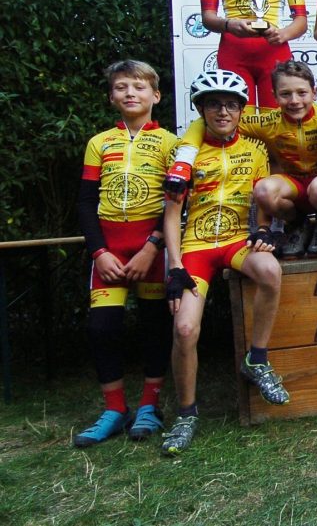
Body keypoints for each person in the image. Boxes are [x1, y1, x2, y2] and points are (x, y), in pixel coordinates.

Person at [161, 69, 290, 456]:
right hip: (195, 246)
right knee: (185, 330)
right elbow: (169, 215)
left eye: (231, 105)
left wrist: (264, 231)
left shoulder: (254, 151)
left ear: (240, 111)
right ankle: (186, 413)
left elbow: (262, 205)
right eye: (214, 104)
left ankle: (257, 359)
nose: (223, 112)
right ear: (201, 109)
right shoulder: (184, 153)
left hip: (235, 239)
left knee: (269, 270)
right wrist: (174, 266)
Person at [73, 61, 177, 448]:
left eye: (138, 86)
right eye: (121, 87)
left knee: (154, 324)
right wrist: (98, 251)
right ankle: (115, 409)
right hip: (109, 249)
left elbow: (175, 203)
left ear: (156, 95)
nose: (130, 93)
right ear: (111, 96)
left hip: (150, 249)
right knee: (102, 328)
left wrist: (154, 246)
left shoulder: (170, 142)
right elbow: (85, 203)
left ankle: (149, 405)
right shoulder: (99, 142)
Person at [165, 61, 317, 258]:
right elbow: (206, 121)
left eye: (302, 93)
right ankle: (297, 224)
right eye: (285, 94)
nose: (294, 101)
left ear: (314, 93)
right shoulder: (267, 121)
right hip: (294, 185)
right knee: (263, 190)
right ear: (274, 96)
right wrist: (183, 163)